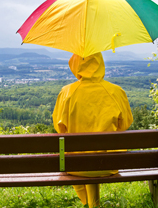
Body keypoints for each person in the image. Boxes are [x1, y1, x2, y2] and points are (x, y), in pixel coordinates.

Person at [53, 52, 133, 208]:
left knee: (76, 154)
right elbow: (126, 124)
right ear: (100, 63)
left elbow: (60, 128)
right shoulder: (115, 92)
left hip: (75, 166)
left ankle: (88, 204)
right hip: (108, 164)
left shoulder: (66, 92)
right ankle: (93, 205)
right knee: (95, 154)